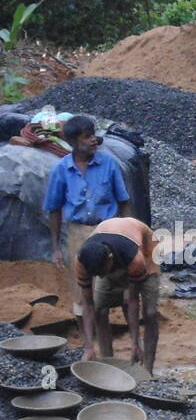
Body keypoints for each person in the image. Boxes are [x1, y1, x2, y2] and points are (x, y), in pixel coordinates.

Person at [43, 115, 131, 320]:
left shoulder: (109, 163)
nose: (93, 140)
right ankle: (89, 343)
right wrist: (56, 247)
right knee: (82, 292)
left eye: (93, 135)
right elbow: (54, 209)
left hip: (108, 231)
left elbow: (124, 201)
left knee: (120, 285)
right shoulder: (61, 170)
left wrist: (128, 235)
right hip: (78, 233)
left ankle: (131, 337)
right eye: (87, 137)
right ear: (73, 142)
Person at [74, 218, 159, 372]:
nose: (99, 277)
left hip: (147, 250)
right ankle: (108, 364)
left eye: (101, 273)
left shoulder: (135, 259)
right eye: (96, 274)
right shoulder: (82, 261)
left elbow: (132, 300)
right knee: (100, 309)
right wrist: (88, 346)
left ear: (109, 259)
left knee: (150, 313)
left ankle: (147, 370)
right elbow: (88, 303)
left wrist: (135, 343)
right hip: (112, 247)